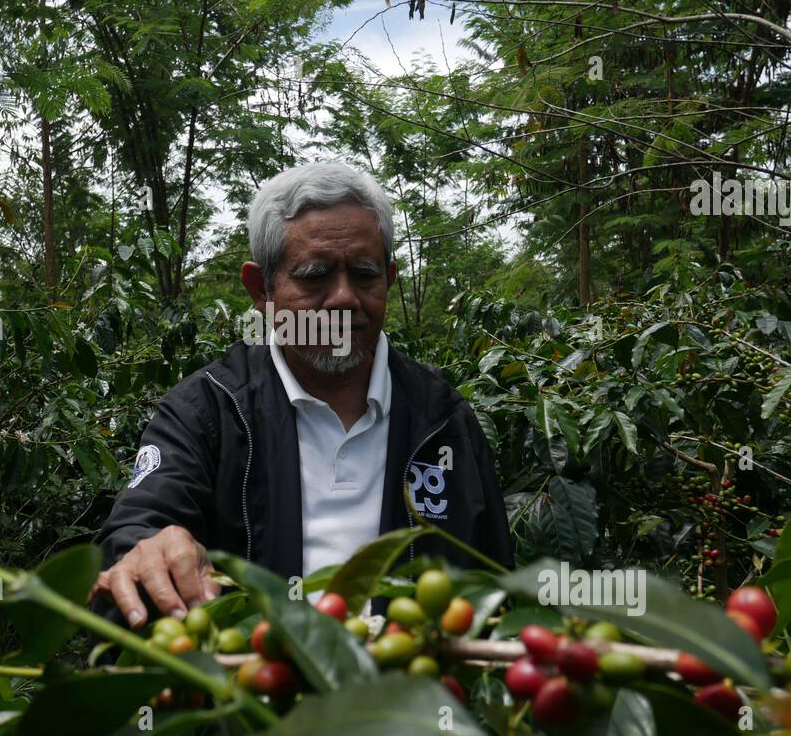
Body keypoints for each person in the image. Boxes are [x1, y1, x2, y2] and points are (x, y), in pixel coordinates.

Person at [89, 162, 512, 629]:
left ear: (389, 279)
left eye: (365, 274)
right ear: (260, 289)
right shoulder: (208, 410)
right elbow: (138, 528)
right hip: (252, 691)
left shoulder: (444, 420)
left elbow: (493, 582)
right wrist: (147, 549)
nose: (343, 299)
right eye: (314, 277)